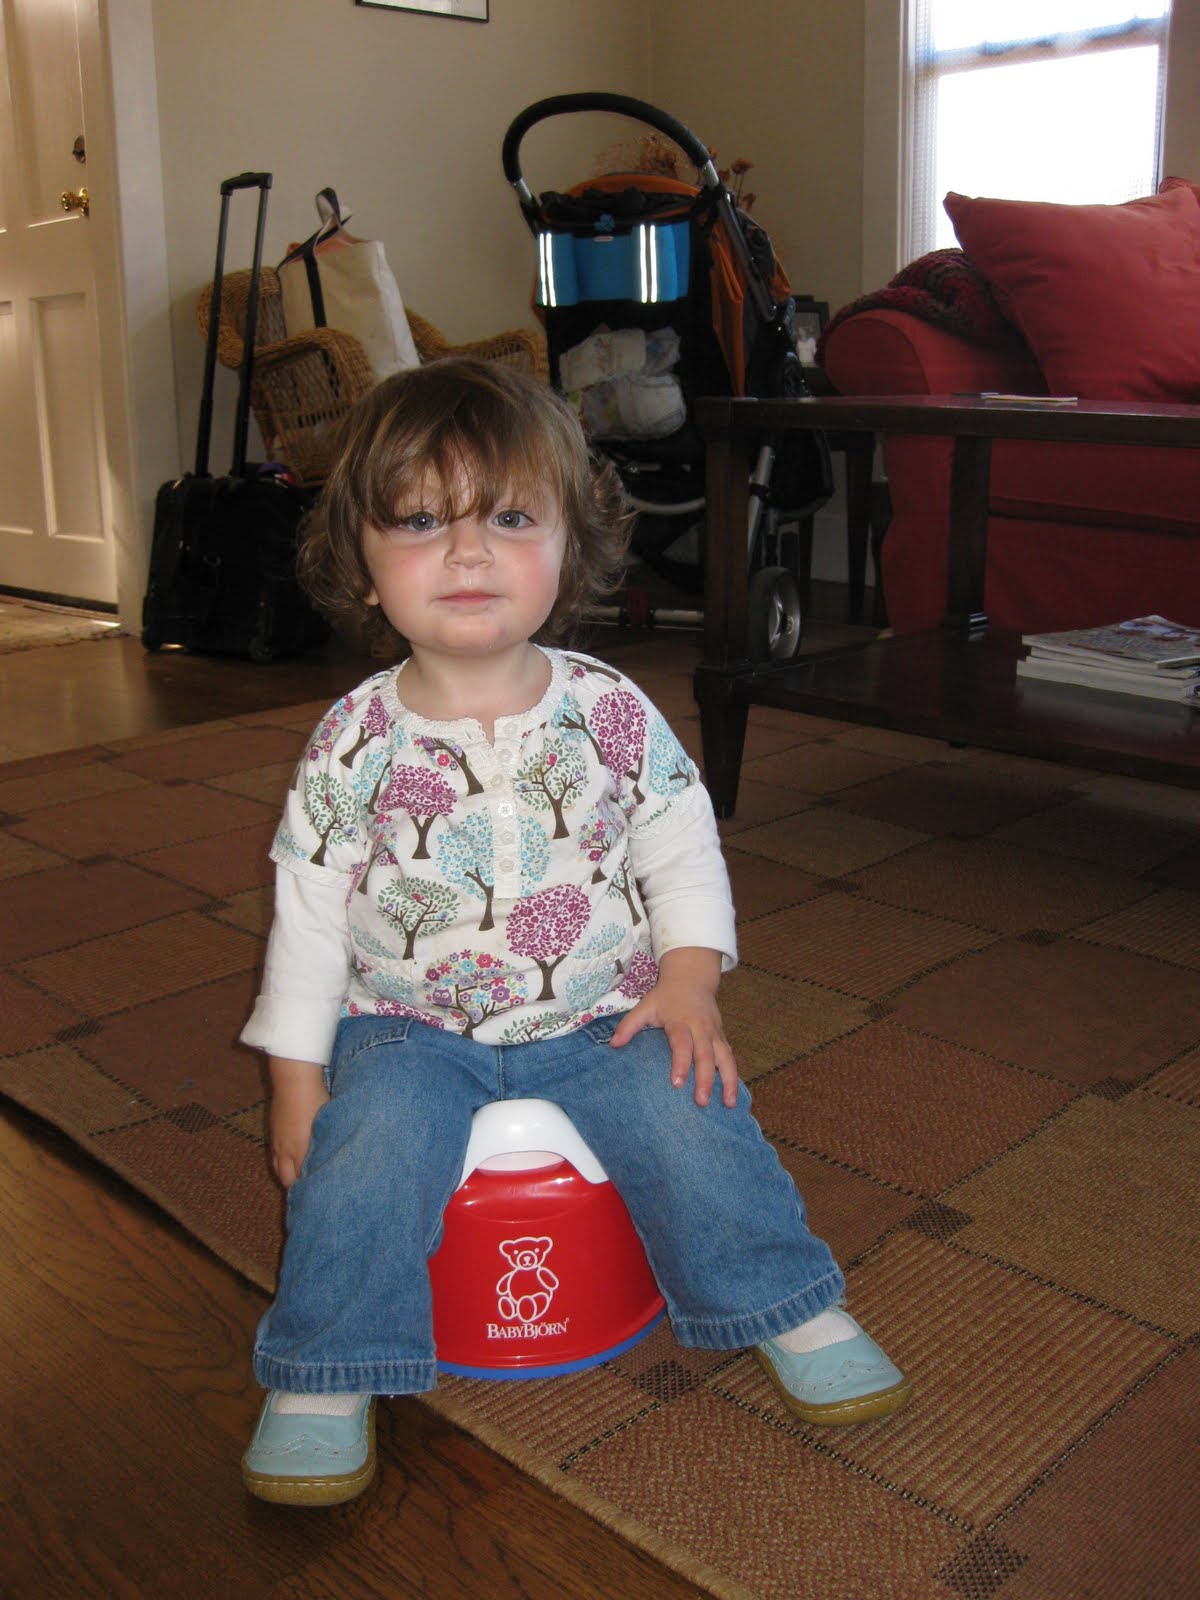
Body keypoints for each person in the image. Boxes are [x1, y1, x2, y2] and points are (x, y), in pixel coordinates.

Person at [239, 358, 911, 1506]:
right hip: (408, 1024)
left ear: (572, 542)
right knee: (364, 1152)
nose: (468, 553)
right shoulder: (352, 741)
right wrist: (297, 1080)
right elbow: (306, 914)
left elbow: (680, 841)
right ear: (359, 558)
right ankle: (326, 1366)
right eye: (419, 521)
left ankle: (782, 1298)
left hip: (603, 1008)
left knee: (693, 1107)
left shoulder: (606, 708)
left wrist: (690, 980)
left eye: (509, 517)